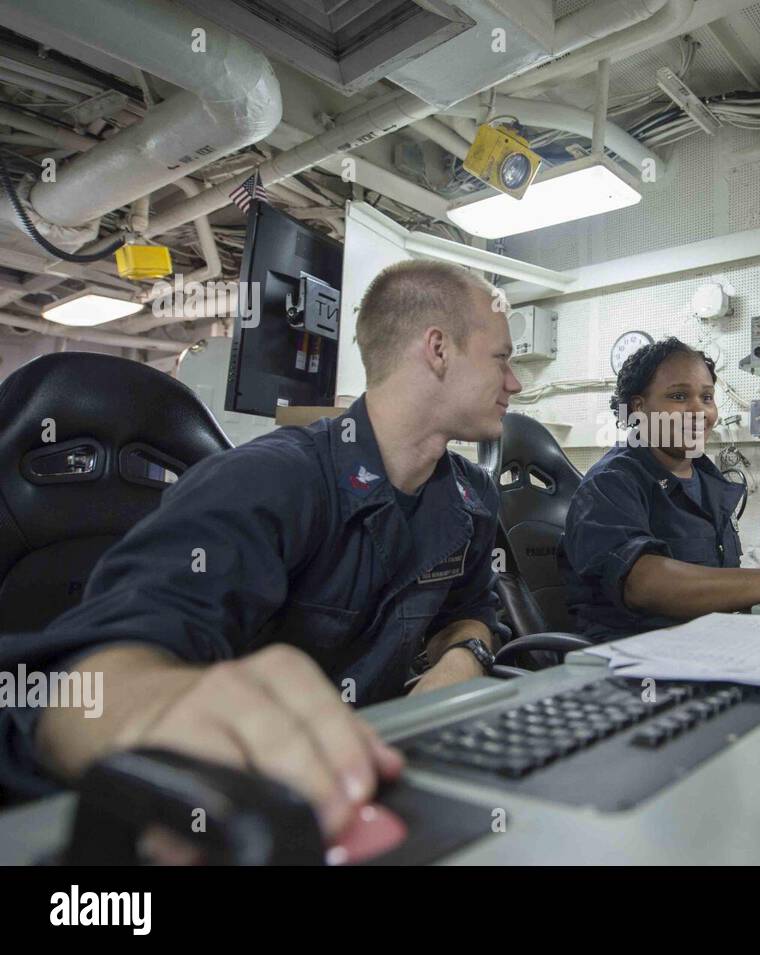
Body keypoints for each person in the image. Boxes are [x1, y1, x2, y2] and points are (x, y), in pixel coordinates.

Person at [0, 259, 522, 843]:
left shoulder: (470, 497)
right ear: (438, 349)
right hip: (255, 808)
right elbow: (80, 681)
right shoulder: (267, 482)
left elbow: (472, 611)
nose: (515, 382)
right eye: (502, 358)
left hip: (385, 779)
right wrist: (143, 712)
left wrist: (464, 658)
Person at [560, 337, 760, 640]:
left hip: (713, 643)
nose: (699, 411)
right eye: (678, 396)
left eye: (707, 397)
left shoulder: (706, 479)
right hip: (632, 658)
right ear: (639, 408)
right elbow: (645, 585)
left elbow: (721, 582)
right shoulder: (612, 482)